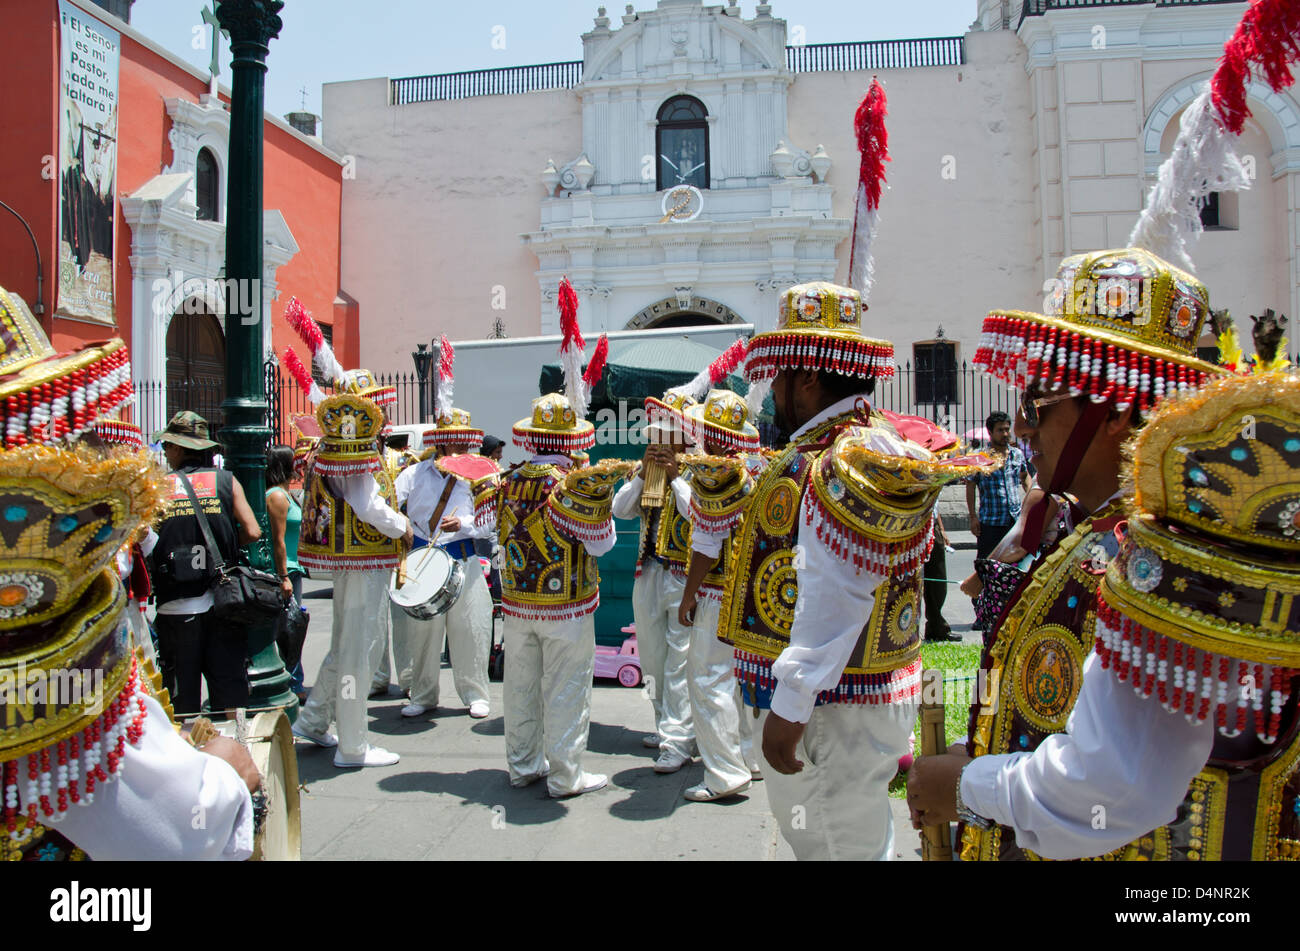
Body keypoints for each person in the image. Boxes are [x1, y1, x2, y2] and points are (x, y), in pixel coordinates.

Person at [905, 247, 1227, 861]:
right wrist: (976, 756)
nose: (1023, 431)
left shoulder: (1162, 562)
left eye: (1037, 408)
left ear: (1112, 413)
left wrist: (969, 786)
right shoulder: (1092, 527)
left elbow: (1114, 782)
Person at [712, 281, 990, 860]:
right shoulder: (872, 445)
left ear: (808, 377)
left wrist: (789, 708)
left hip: (829, 708)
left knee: (834, 846)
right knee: (852, 842)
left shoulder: (834, 461)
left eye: (781, 374)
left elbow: (835, 591)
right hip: (852, 698)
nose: (773, 392)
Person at [0, 284, 257, 860]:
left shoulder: (167, 491)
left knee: (184, 684)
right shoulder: (47, 637)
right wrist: (222, 775)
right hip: (205, 604)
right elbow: (164, 837)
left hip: (168, 608)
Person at [475, 392, 630, 797]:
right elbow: (602, 545)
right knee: (566, 687)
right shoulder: (572, 486)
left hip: (517, 603)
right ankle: (565, 776)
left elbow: (487, 529)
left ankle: (523, 765)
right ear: (569, 441)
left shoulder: (506, 481)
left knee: (520, 686)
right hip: (566, 607)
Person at [280, 298, 413, 768]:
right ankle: (354, 745)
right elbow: (367, 504)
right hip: (363, 557)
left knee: (345, 645)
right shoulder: (352, 451)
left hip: (352, 559)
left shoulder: (330, 447)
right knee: (360, 650)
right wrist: (404, 526)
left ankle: (314, 722)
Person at [676, 389, 765, 801]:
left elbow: (706, 546)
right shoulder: (757, 465)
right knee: (742, 680)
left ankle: (724, 773)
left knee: (709, 679)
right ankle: (749, 758)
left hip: (718, 592)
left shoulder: (714, 474)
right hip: (754, 593)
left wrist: (688, 595)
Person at [150, 411, 262, 719]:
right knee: (230, 692)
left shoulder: (160, 488)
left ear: (176, 448)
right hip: (223, 603)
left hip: (176, 607)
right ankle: (237, 750)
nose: (165, 452)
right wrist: (222, 550)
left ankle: (190, 753)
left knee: (181, 700)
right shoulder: (227, 481)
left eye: (166, 446)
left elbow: (148, 541)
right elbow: (253, 531)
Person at [611, 391, 697, 773]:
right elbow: (620, 510)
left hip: (682, 577)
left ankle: (678, 742)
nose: (656, 445)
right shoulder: (642, 470)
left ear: (682, 439)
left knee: (680, 660)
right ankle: (667, 727)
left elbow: (697, 514)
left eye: (664, 438)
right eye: (653, 438)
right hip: (647, 573)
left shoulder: (698, 471)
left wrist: (676, 478)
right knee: (652, 659)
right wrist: (643, 475)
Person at [395, 409, 493, 720]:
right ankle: (423, 695)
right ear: (440, 443)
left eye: (464, 442)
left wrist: (462, 523)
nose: (461, 449)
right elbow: (392, 505)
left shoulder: (479, 477)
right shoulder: (413, 474)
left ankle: (476, 694)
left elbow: (489, 522)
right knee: (423, 631)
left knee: (472, 627)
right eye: (454, 442)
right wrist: (404, 529)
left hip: (463, 557)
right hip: (424, 560)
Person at [266, 443, 308, 703]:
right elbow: (278, 540)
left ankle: (295, 680)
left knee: (293, 628)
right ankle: (293, 683)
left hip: (294, 569)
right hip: (285, 572)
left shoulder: (287, 494)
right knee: (288, 630)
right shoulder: (277, 496)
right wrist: (282, 576)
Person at [966, 410, 1030, 562]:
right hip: (990, 523)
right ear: (990, 432)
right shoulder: (980, 457)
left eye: (1007, 429)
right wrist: (973, 517)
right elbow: (970, 485)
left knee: (1015, 565)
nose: (1005, 433)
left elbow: (1025, 477)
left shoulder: (1017, 455)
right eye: (1000, 430)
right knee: (988, 565)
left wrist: (1030, 501)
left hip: (1014, 520)